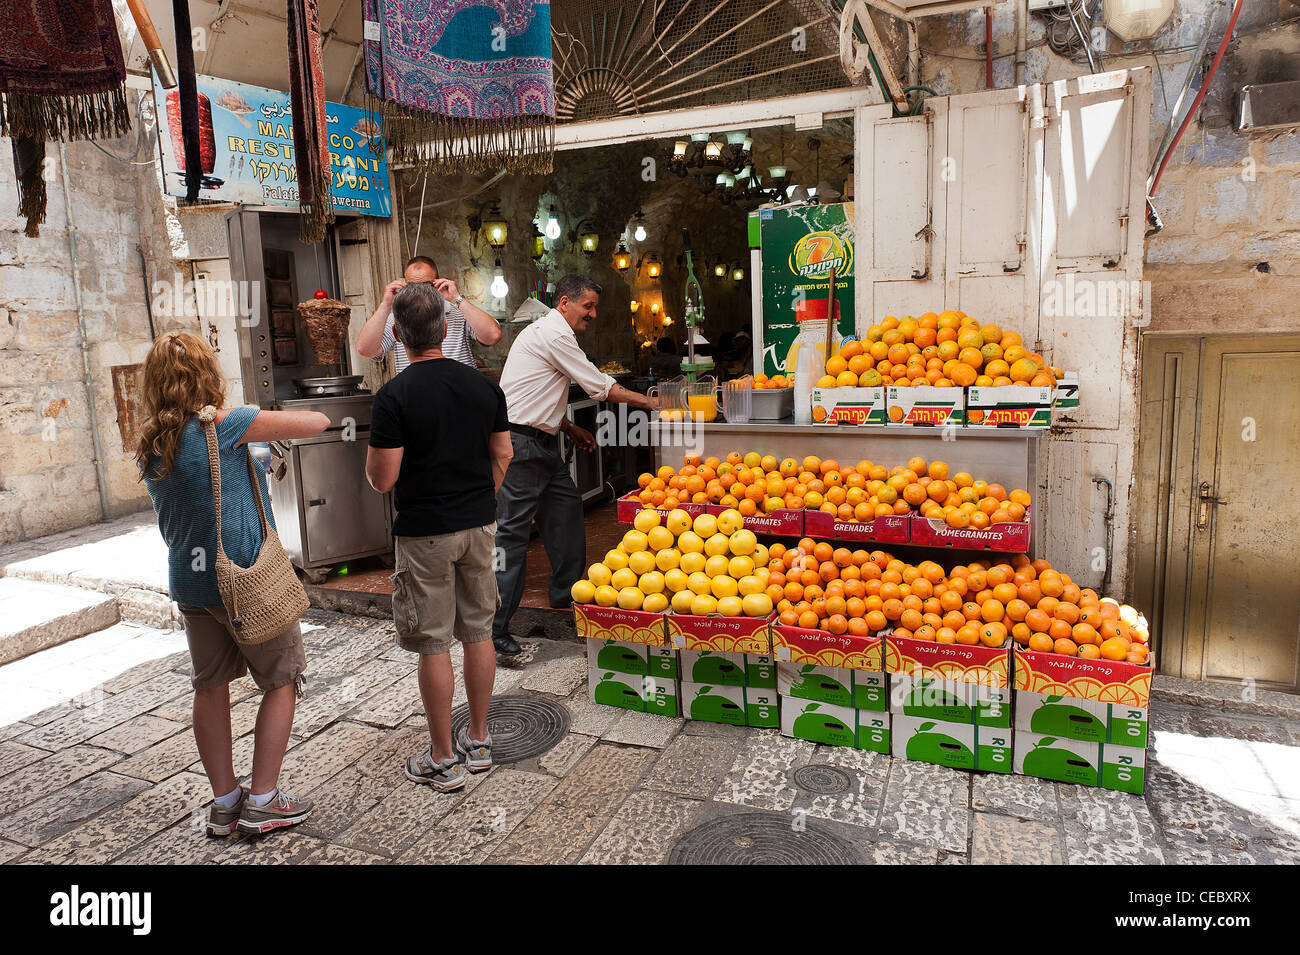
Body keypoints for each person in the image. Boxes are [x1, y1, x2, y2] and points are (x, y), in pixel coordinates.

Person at [137, 332, 329, 836]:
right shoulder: (226, 426)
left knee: (211, 686)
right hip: (246, 579)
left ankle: (224, 803)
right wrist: (237, 415)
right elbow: (319, 421)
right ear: (207, 374)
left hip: (191, 582)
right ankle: (263, 798)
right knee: (282, 680)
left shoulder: (152, 443)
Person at [365, 283, 513, 791]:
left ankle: (443, 758)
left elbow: (382, 479)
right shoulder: (484, 387)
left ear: (400, 336)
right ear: (447, 329)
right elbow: (504, 454)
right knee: (478, 631)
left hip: (425, 532)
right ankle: (478, 739)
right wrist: (481, 498)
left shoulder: (393, 397)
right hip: (478, 526)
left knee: (434, 643)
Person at [492, 274, 658, 655]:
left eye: (594, 306)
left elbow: (534, 390)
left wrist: (566, 426)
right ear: (564, 303)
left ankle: (564, 597)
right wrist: (653, 402)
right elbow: (600, 386)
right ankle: (494, 632)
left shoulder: (550, 333)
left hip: (541, 444)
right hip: (520, 446)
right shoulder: (554, 334)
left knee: (565, 512)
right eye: (588, 306)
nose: (593, 314)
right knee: (512, 537)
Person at [356, 255, 502, 371]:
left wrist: (457, 299)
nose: (420, 292)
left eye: (426, 285)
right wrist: (385, 305)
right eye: (413, 286)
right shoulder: (398, 317)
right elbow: (365, 350)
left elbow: (493, 336)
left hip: (459, 394)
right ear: (405, 286)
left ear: (437, 283)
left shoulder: (459, 311)